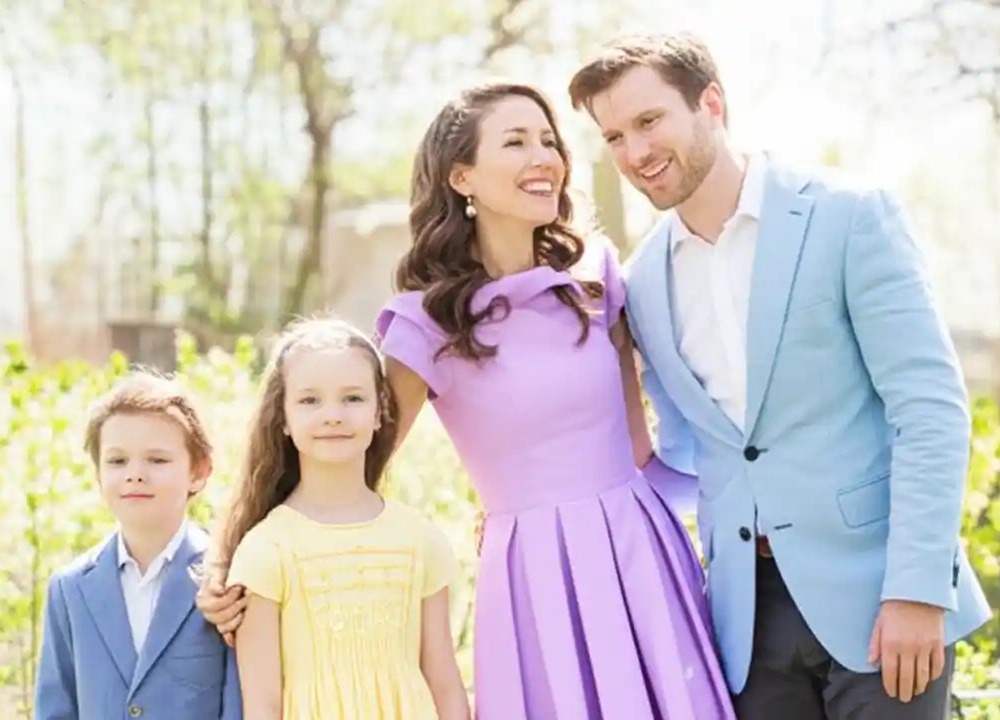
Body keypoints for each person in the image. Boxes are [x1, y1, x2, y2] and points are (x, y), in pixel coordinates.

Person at [199, 82, 735, 720]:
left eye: (548, 141)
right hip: (534, 575)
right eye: (515, 142)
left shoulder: (596, 279)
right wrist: (228, 563)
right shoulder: (428, 324)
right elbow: (343, 463)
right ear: (462, 177)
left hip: (639, 554)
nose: (545, 157)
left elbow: (640, 443)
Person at [567, 33, 992, 719]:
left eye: (649, 122)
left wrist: (917, 589)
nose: (636, 153)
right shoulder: (641, 283)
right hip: (744, 622)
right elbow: (684, 454)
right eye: (614, 136)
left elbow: (931, 408)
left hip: (879, 601)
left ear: (712, 103)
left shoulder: (847, 215)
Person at [218, 318, 469, 719]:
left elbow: (444, 682)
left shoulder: (420, 539)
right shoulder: (267, 549)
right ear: (283, 418)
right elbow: (262, 705)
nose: (333, 415)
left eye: (352, 398)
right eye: (309, 401)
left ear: (379, 411)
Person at [35, 372, 241, 719]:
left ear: (199, 471)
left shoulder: (227, 578)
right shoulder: (70, 589)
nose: (135, 474)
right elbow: (56, 708)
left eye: (157, 460)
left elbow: (240, 706)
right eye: (117, 461)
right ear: (98, 473)